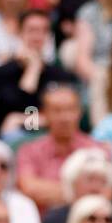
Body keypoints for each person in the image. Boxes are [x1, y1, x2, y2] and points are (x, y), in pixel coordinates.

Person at [17, 85, 107, 213]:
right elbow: (29, 188)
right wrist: (81, 192)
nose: (65, 117)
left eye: (70, 109)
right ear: (44, 114)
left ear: (79, 112)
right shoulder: (29, 151)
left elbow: (105, 192)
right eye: (57, 110)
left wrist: (50, 191)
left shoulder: (96, 149)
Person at [0, 9, 74, 136]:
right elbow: (19, 108)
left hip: (50, 135)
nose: (37, 37)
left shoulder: (59, 75)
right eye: (32, 30)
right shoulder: (3, 73)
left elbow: (65, 113)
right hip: (13, 137)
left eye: (43, 31)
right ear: (19, 33)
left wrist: (21, 119)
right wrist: (33, 69)